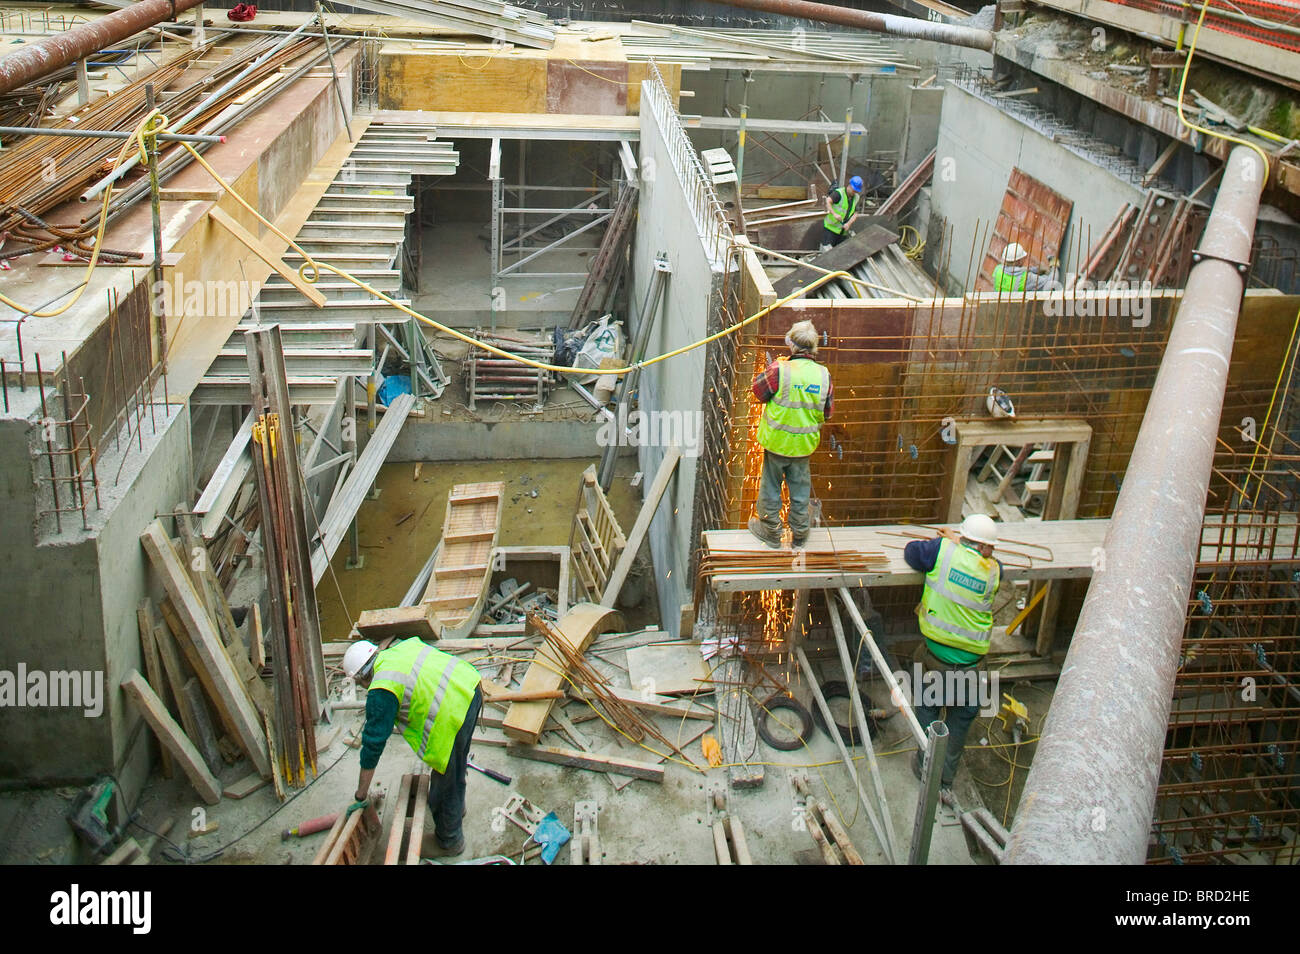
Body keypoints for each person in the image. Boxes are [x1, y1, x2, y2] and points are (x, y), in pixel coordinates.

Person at [343, 637, 483, 856]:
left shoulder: (382, 689)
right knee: (455, 765)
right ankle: (456, 809)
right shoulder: (401, 648)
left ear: (361, 677)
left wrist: (361, 794)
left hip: (452, 718)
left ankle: (449, 841)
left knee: (446, 781)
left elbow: (372, 746)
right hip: (470, 688)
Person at [904, 513, 1002, 791]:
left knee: (926, 707)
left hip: (937, 660)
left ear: (963, 538)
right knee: (960, 721)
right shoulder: (994, 570)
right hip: (972, 667)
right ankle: (945, 777)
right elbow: (987, 565)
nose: (991, 553)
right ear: (984, 548)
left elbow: (911, 552)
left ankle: (926, 766)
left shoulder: (941, 551)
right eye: (990, 548)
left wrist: (948, 543)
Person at [748, 319, 832, 550]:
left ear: (792, 345)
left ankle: (771, 531)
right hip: (804, 445)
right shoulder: (823, 375)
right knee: (800, 489)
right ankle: (800, 534)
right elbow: (828, 412)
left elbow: (758, 392)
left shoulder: (780, 369)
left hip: (777, 442)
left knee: (771, 487)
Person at [820, 175, 864, 251]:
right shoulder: (839, 194)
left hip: (843, 232)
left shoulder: (856, 197)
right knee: (826, 253)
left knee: (838, 254)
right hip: (830, 229)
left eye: (856, 191)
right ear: (849, 186)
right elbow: (827, 201)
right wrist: (834, 214)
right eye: (854, 190)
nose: (854, 192)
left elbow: (855, 213)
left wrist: (849, 224)